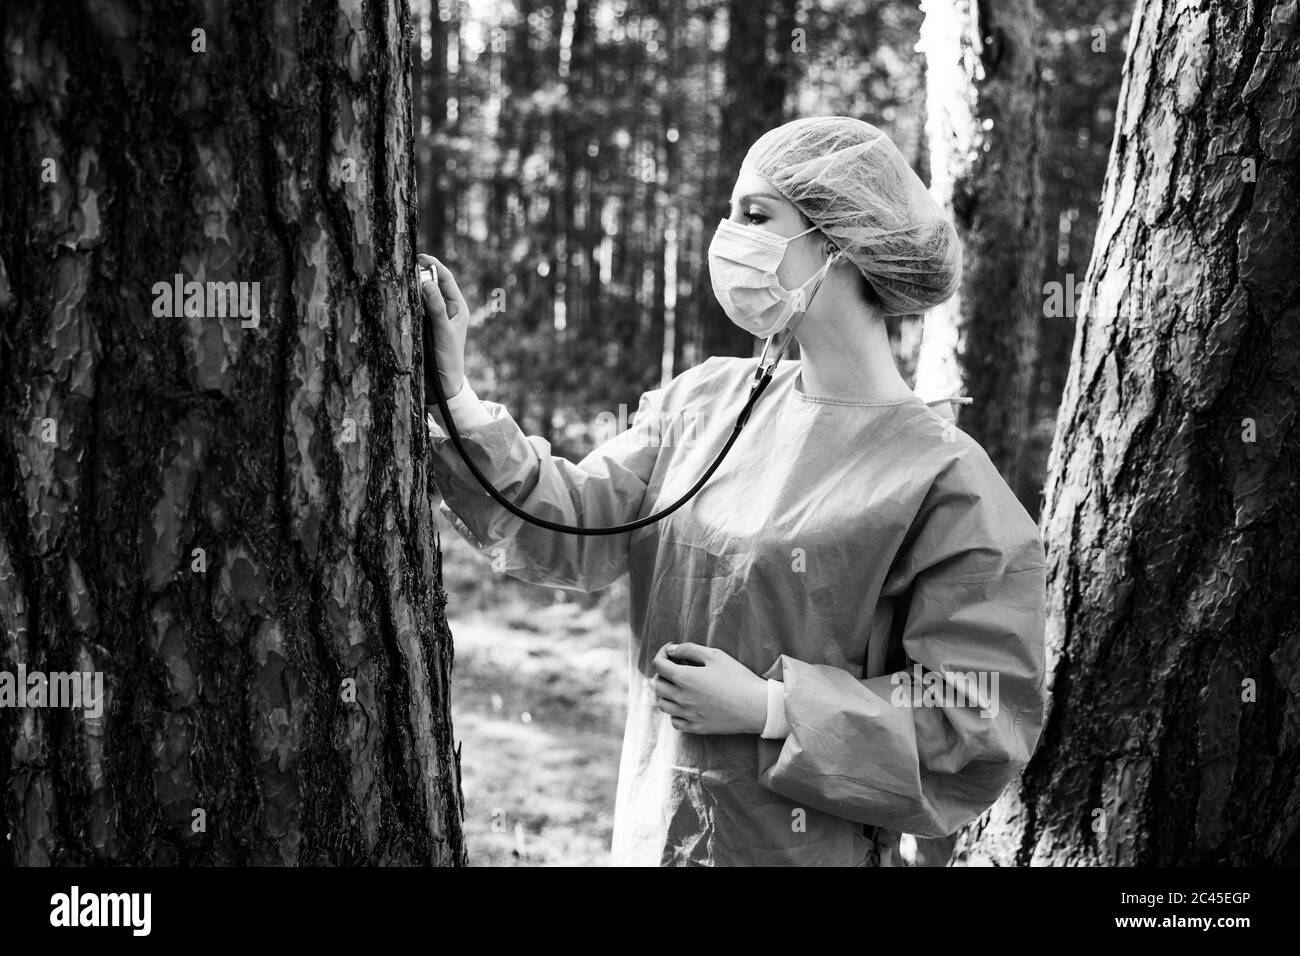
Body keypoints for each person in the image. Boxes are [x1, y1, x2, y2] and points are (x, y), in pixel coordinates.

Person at [420, 116, 1047, 867]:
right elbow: (567, 524)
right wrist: (454, 394)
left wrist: (772, 710)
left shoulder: (946, 480)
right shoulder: (707, 403)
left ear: (839, 241)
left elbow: (977, 719)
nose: (728, 239)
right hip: (654, 832)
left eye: (754, 216)